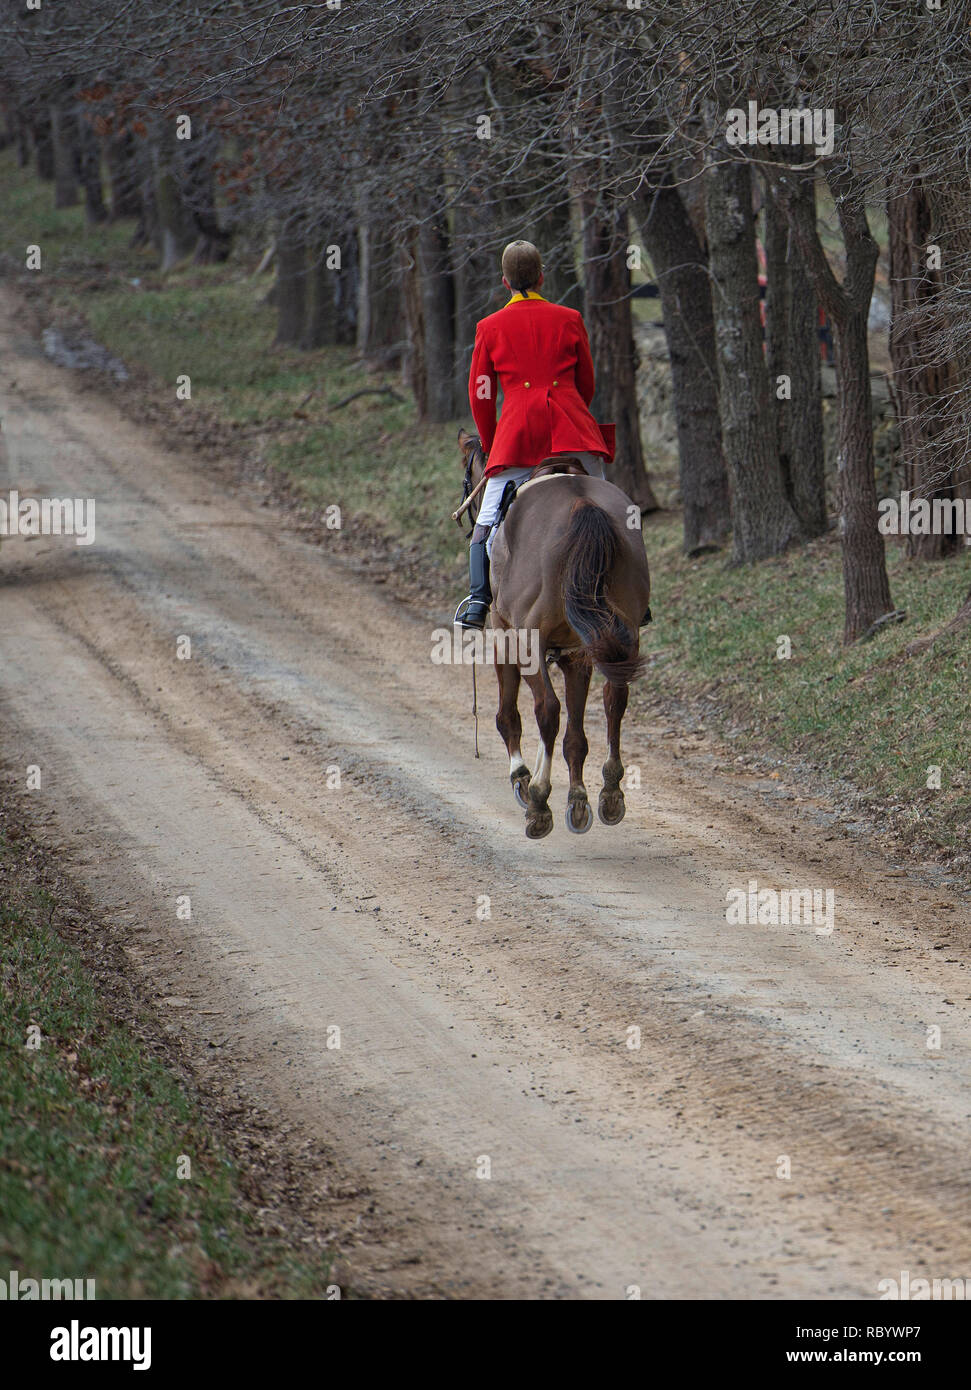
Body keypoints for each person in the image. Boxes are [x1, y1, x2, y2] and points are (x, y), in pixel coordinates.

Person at [457, 240, 614, 630]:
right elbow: (586, 383)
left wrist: (492, 445)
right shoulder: (570, 318)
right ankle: (629, 598)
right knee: (612, 510)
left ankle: (478, 600)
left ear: (505, 281)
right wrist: (571, 414)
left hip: (519, 439)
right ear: (542, 277)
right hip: (573, 433)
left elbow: (481, 395)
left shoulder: (489, 327)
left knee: (486, 521)